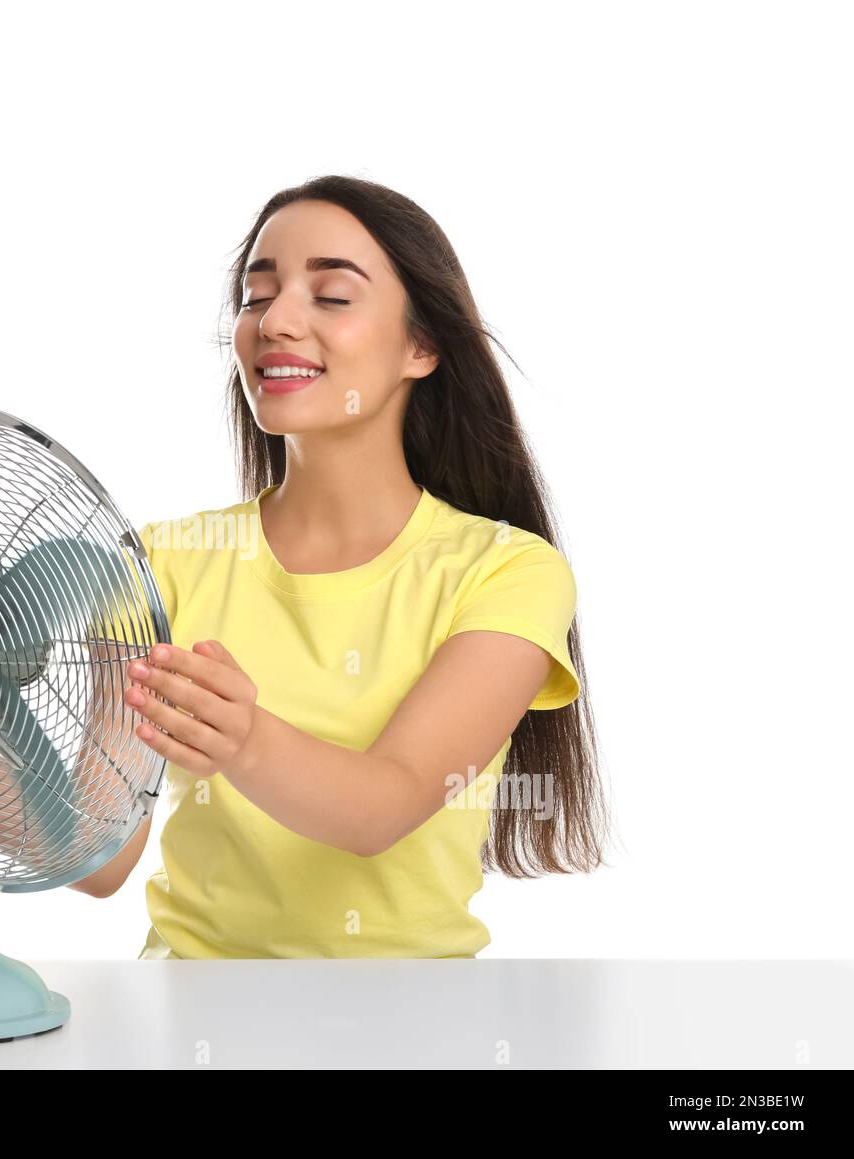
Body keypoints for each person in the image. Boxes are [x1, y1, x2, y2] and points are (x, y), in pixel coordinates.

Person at [72, 174, 610, 959]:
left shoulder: (508, 572)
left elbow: (380, 809)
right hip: (188, 1018)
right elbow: (100, 857)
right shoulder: (159, 564)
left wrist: (245, 739)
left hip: (414, 1024)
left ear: (422, 346)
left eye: (331, 296)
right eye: (257, 297)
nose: (276, 321)